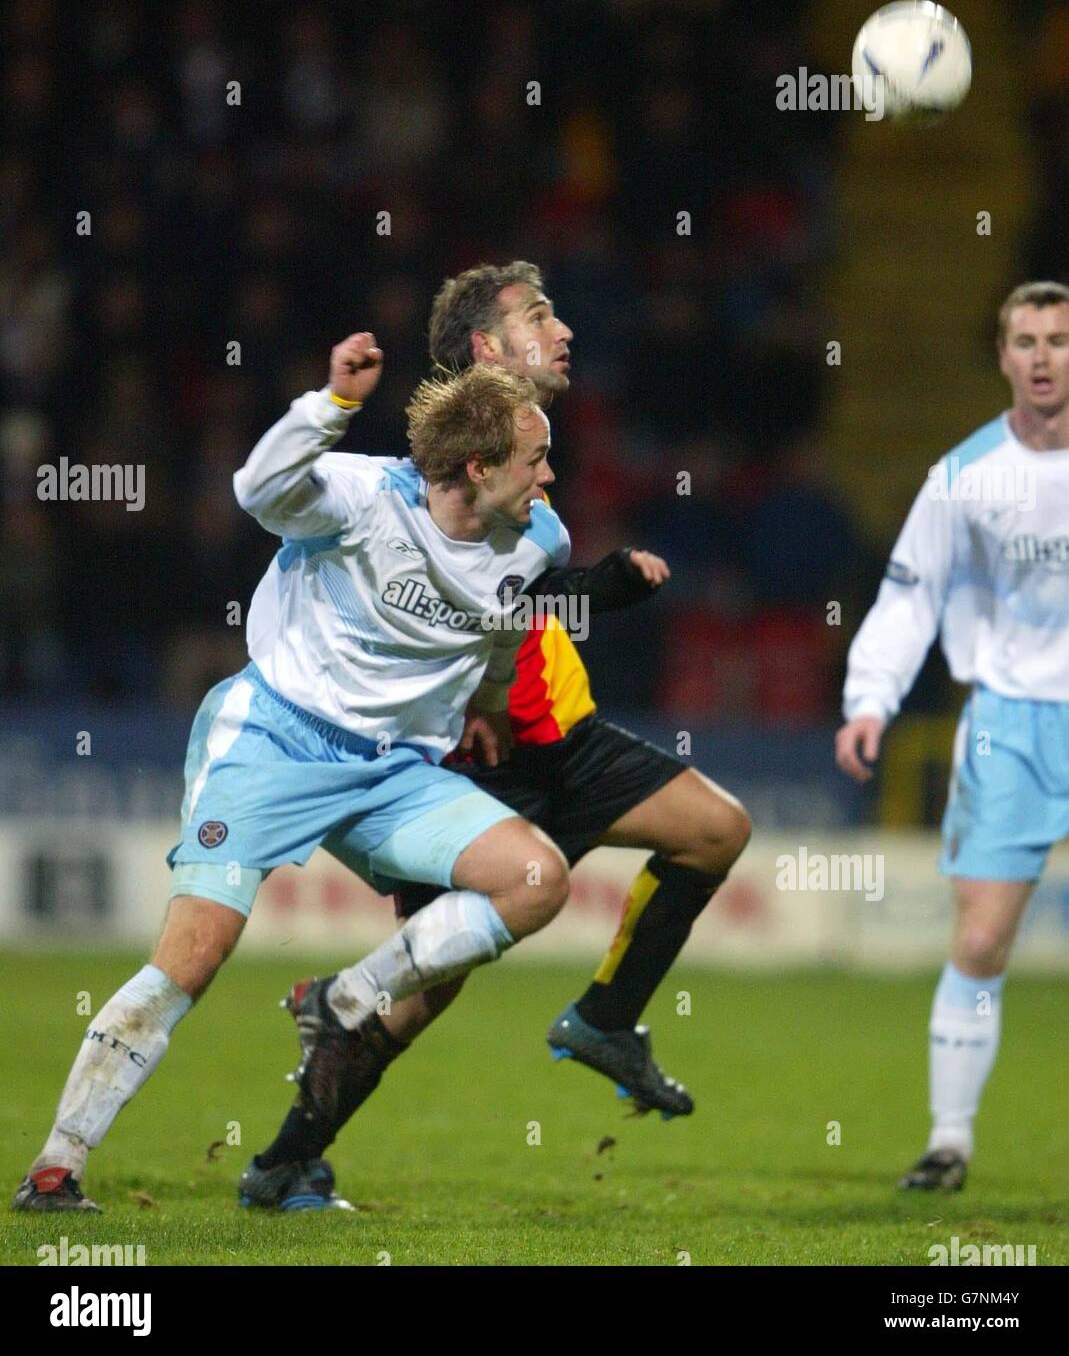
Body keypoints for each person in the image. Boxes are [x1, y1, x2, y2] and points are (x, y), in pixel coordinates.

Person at [14, 334, 579, 1213]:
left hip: (392, 771)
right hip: (274, 742)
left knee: (538, 879)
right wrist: (331, 407)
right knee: (194, 955)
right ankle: (57, 1167)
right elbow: (258, 489)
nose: (549, 479)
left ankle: (347, 996)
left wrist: (491, 698)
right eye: (537, 460)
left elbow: (505, 623)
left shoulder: (538, 538)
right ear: (476, 465)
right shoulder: (361, 497)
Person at [245, 263, 752, 1208]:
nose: (561, 329)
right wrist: (572, 610)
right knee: (418, 997)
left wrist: (591, 591)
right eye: (537, 316)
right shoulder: (447, 467)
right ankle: (282, 1162)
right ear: (486, 349)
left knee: (715, 828)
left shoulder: (533, 464)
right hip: (481, 763)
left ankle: (604, 1019)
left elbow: (516, 598)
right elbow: (469, 597)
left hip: (567, 734)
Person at [836, 281, 1069, 1191]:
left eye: (1058, 337)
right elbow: (908, 595)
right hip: (1006, 721)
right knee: (979, 944)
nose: (1044, 355)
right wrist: (869, 700)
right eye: (1026, 340)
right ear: (1003, 356)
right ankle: (948, 1142)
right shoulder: (963, 475)